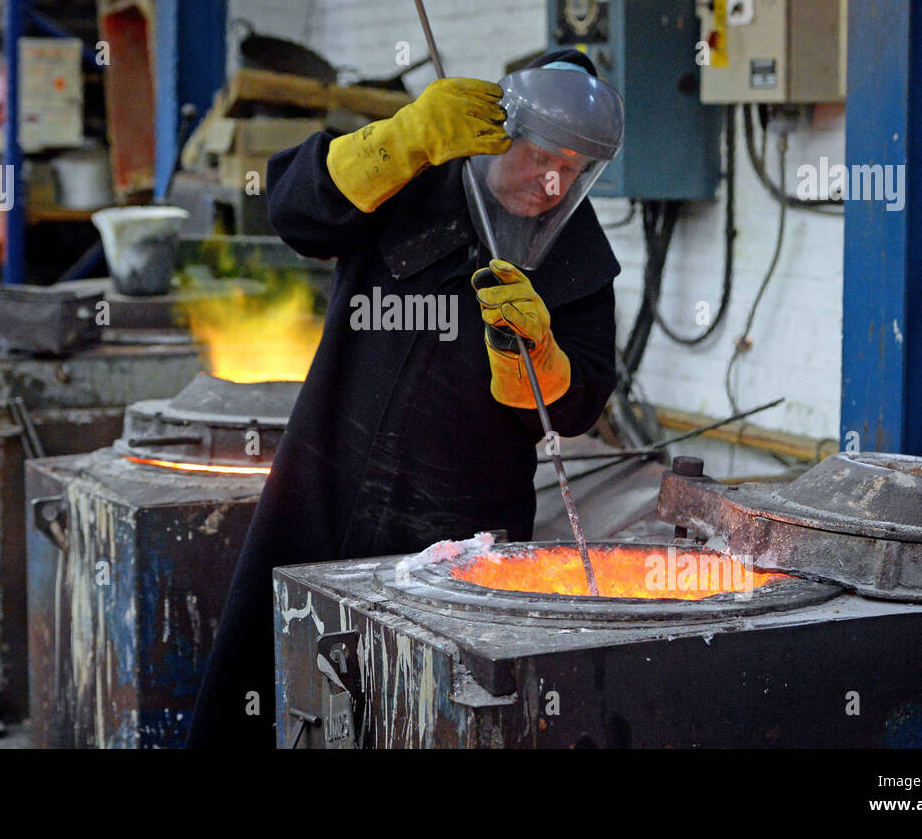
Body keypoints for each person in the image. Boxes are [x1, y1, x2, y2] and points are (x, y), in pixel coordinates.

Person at [187, 49, 623, 748]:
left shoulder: (578, 256)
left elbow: (580, 402)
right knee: (270, 696)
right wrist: (402, 138)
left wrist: (539, 360)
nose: (552, 183)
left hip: (467, 533)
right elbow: (294, 211)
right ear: (499, 133)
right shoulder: (415, 178)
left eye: (574, 170)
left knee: (429, 717)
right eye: (543, 157)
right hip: (323, 492)